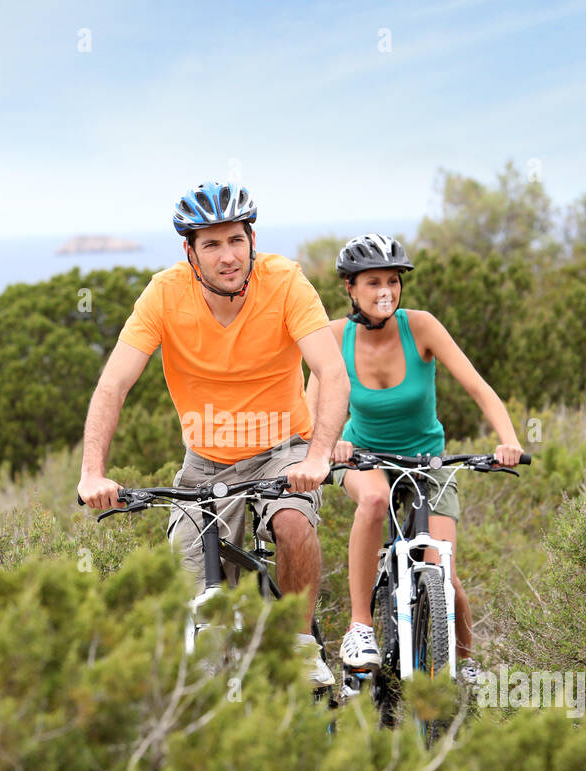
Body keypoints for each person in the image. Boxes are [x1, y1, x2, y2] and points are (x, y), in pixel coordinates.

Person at [77, 181, 350, 688]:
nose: (228, 257)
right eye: (211, 244)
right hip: (205, 462)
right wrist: (92, 471)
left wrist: (317, 457)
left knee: (293, 523)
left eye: (236, 240)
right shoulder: (164, 293)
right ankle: (212, 692)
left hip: (282, 449)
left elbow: (332, 373)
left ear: (251, 239)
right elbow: (114, 384)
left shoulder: (286, 282)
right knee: (196, 596)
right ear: (190, 251)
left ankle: (297, 643)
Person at [305, 233, 523, 681]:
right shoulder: (333, 336)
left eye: (393, 280)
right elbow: (309, 411)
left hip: (428, 461)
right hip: (362, 455)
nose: (386, 290)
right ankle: (360, 626)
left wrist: (508, 440)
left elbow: (479, 388)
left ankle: (465, 662)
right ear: (349, 287)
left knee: (444, 573)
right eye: (373, 282)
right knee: (372, 500)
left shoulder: (420, 326)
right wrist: (328, 447)